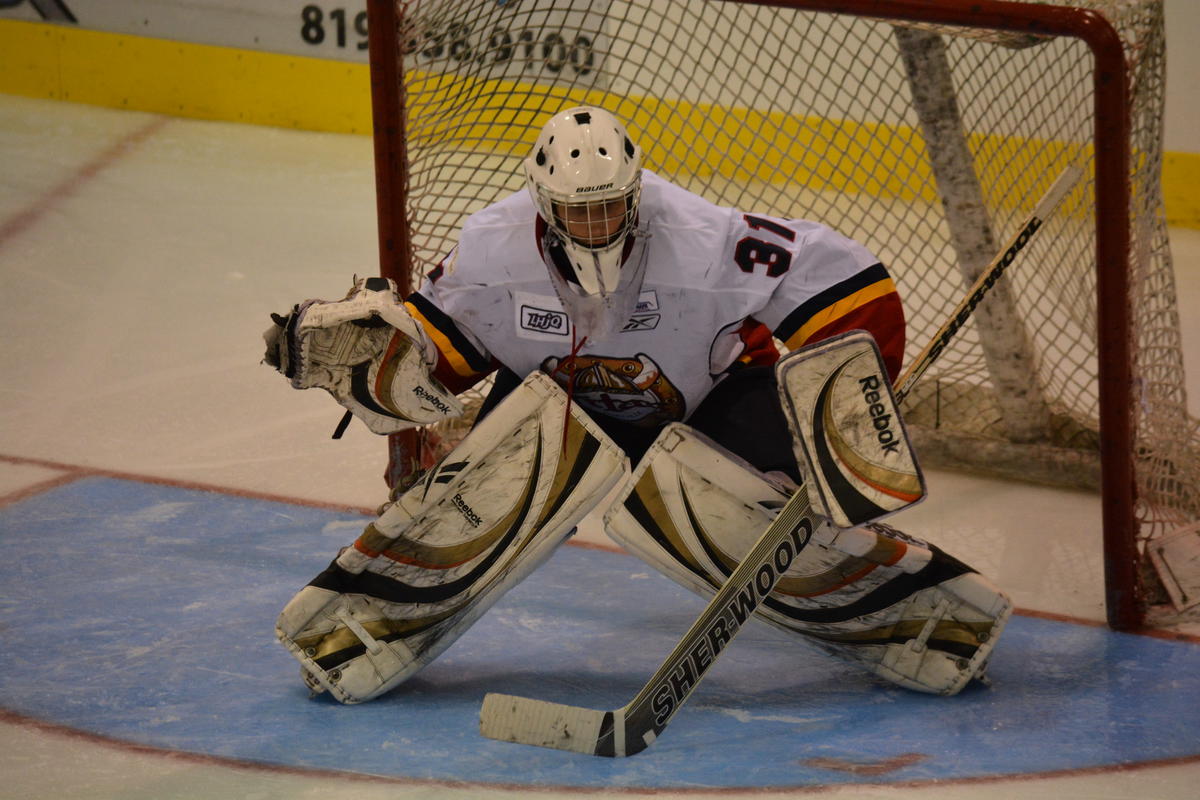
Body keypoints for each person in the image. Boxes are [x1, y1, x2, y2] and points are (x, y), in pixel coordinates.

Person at [265, 105, 1010, 706]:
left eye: (610, 206)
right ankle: (361, 628)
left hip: (713, 399)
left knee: (748, 515)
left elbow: (847, 284)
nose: (596, 223)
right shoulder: (490, 248)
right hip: (554, 408)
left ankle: (921, 621)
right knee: (478, 497)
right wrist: (388, 364)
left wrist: (846, 405)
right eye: (576, 211)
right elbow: (449, 352)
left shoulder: (704, 237)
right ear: (543, 200)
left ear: (636, 191)